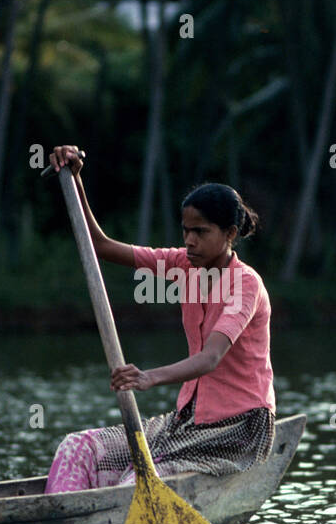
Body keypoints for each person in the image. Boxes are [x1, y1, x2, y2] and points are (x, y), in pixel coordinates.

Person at [44, 144, 276, 494]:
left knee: (139, 480)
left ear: (229, 234)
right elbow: (102, 246)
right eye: (186, 230)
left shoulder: (245, 284)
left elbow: (210, 358)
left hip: (240, 427)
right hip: (188, 422)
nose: (190, 240)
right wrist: (75, 178)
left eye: (201, 232)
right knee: (78, 448)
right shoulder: (184, 264)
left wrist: (147, 377)